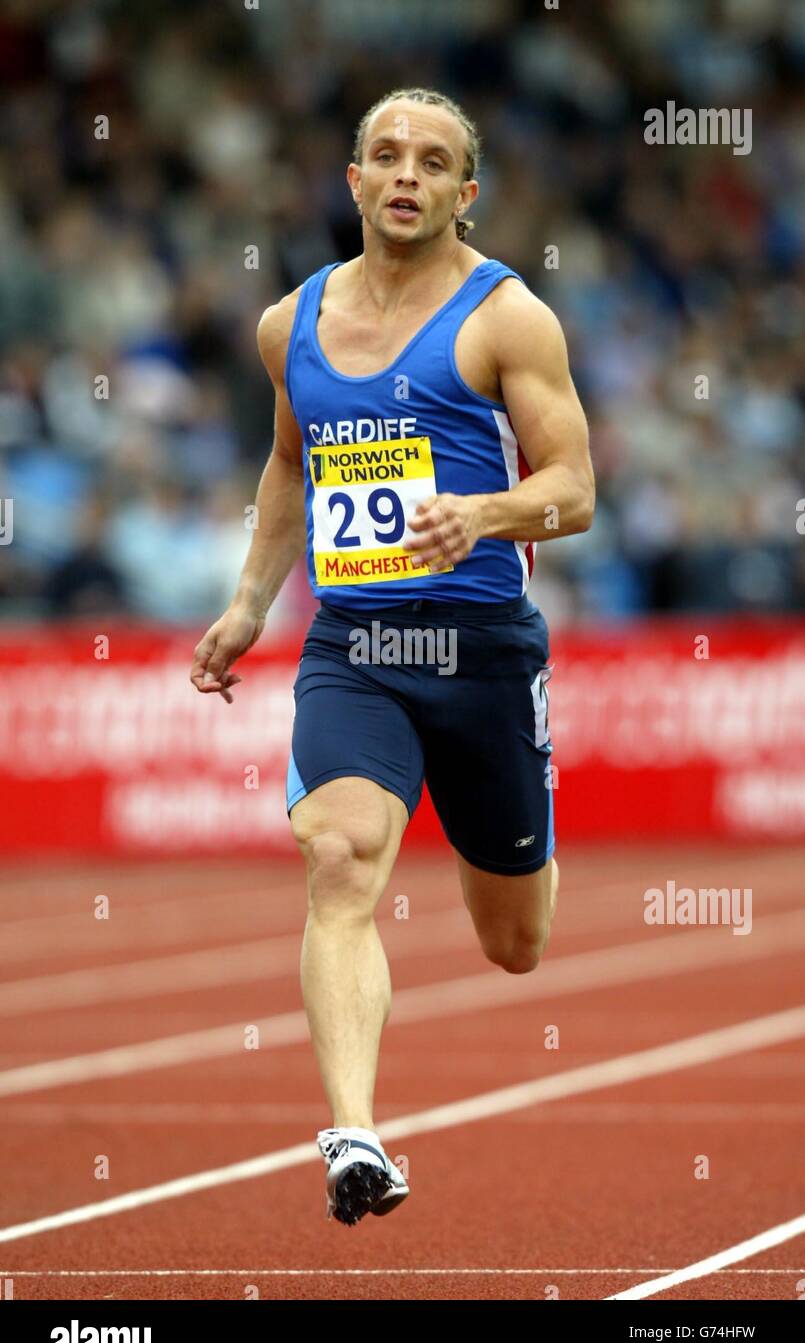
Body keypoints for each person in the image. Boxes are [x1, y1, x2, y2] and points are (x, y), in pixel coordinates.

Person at [190, 88, 594, 1225]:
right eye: (384, 155)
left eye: (432, 160)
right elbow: (287, 466)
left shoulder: (508, 318)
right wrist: (247, 604)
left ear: (465, 193)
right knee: (339, 855)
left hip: (480, 651)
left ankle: (521, 814)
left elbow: (576, 491)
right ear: (353, 179)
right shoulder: (290, 325)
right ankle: (354, 1134)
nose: (405, 173)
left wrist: (487, 513)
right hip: (355, 646)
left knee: (514, 942)